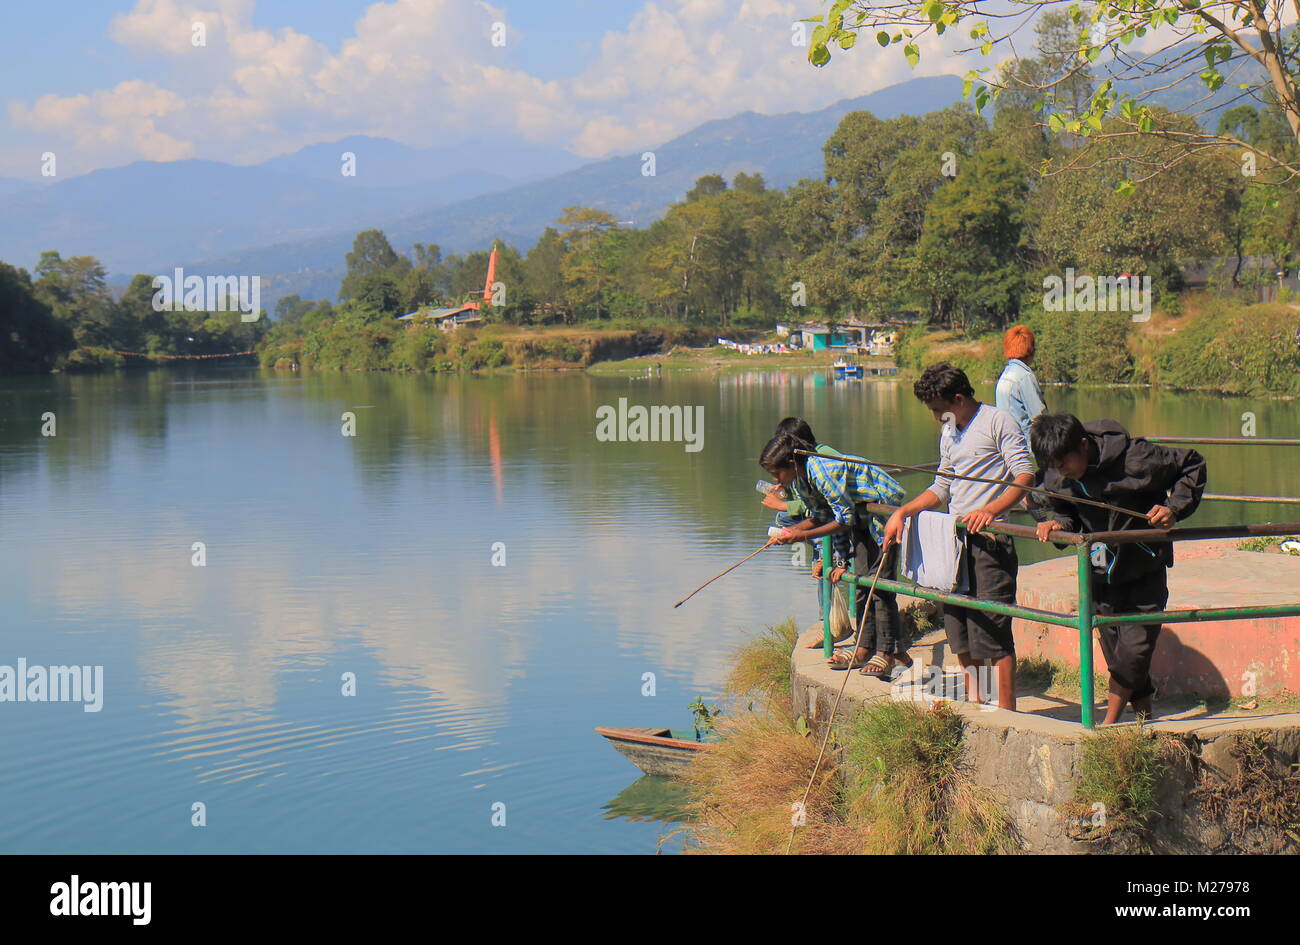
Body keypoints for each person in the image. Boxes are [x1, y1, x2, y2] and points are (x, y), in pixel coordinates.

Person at [1030, 413, 1206, 725]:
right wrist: (1056, 523)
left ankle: (1107, 725)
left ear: (1083, 445)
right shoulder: (1058, 474)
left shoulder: (1137, 458)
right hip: (1097, 573)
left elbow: (1191, 464)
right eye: (1054, 467)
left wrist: (1174, 510)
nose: (1061, 472)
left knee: (1134, 650)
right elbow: (1052, 504)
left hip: (1144, 569)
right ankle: (1144, 723)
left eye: (1064, 464)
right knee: (1115, 650)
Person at [883, 363, 1035, 710]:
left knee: (992, 627)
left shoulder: (998, 421)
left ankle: (1007, 709)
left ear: (959, 398)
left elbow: (1024, 475)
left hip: (989, 540)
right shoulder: (949, 431)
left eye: (939, 409)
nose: (937, 417)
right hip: (952, 541)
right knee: (958, 628)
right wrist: (904, 511)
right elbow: (943, 485)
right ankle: (976, 699)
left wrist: (992, 510)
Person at [760, 430, 909, 677]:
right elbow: (820, 516)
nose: (776, 481)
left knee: (879, 587)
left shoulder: (821, 470)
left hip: (883, 515)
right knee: (861, 587)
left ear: (791, 463)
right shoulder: (801, 479)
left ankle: (886, 653)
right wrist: (790, 532)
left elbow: (842, 519)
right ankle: (864, 647)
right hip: (861, 519)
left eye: (777, 474)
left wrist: (802, 536)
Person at [760, 418, 846, 638]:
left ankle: (832, 630)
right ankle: (828, 625)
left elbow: (828, 511)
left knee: (827, 563)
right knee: (784, 520)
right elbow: (812, 505)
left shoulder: (820, 461)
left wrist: (785, 506)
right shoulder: (801, 470)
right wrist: (786, 491)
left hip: (840, 522)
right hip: (827, 520)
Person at [995, 325, 1046, 442]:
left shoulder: (1005, 374)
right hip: (1027, 447)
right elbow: (1040, 418)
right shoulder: (1024, 377)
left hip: (1008, 444)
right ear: (1030, 349)